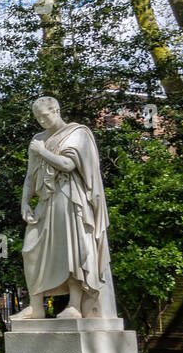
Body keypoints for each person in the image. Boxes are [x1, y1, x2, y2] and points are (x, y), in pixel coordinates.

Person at [13, 96, 117, 319]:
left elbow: (68, 165)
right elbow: (30, 175)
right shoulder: (38, 139)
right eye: (37, 117)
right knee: (30, 250)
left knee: (71, 249)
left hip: (68, 196)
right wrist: (24, 201)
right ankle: (36, 306)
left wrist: (42, 151)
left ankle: (75, 305)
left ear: (56, 110)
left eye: (45, 115)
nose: (41, 121)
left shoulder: (77, 133)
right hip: (45, 199)